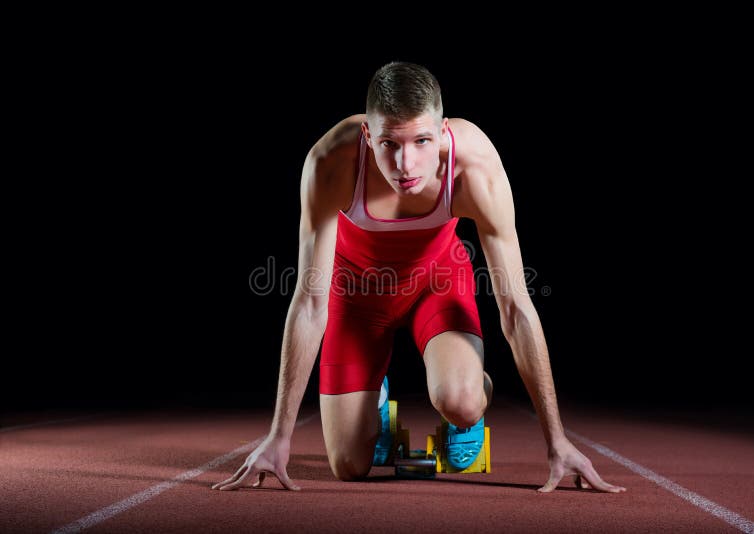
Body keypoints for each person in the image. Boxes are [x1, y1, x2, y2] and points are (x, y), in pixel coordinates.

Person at [212, 62, 626, 493]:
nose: (405, 164)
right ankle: (375, 405)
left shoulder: (474, 166)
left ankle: (469, 399)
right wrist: (279, 437)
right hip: (354, 296)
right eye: (389, 143)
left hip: (437, 284)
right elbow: (310, 303)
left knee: (460, 400)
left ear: (442, 131)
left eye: (421, 141)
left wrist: (557, 440)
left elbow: (516, 308)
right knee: (349, 465)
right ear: (367, 135)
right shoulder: (331, 161)